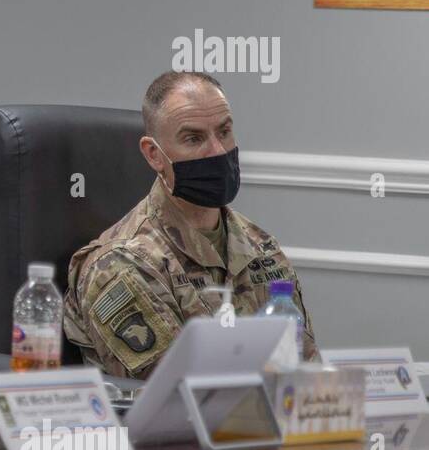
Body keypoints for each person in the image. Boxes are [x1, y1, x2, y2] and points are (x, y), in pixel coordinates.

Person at [64, 70, 316, 379]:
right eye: (194, 138)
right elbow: (176, 396)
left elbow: (305, 371)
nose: (218, 151)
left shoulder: (262, 247)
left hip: (272, 421)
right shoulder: (120, 265)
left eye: (224, 132)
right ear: (154, 155)